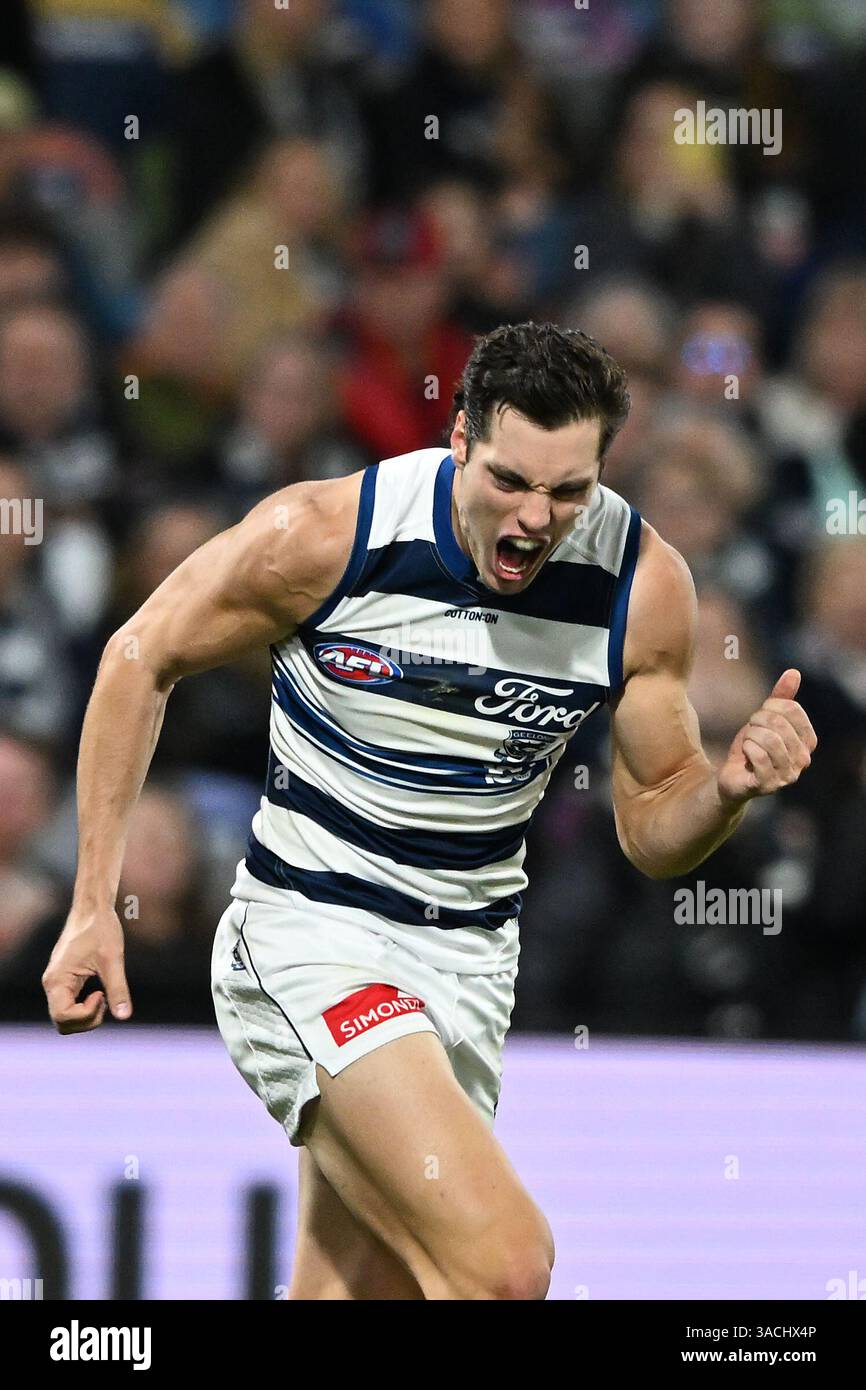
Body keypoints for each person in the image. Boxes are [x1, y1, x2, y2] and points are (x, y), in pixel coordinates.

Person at [41, 321, 816, 1300]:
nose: (534, 518)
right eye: (508, 480)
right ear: (457, 441)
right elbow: (137, 655)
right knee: (502, 1265)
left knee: (362, 1294)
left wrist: (724, 790)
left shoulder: (638, 583)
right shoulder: (326, 536)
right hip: (311, 938)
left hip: (469, 967)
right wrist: (92, 901)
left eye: (566, 490)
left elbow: (653, 825)